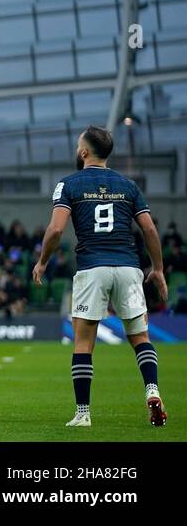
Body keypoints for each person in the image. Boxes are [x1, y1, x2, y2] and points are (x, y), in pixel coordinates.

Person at [33, 125, 168, 428]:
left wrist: (42, 262)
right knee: (140, 338)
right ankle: (152, 389)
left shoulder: (68, 184)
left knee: (83, 342)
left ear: (83, 152)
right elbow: (149, 229)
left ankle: (83, 414)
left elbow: (55, 230)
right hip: (128, 267)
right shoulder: (129, 185)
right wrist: (157, 269)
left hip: (93, 268)